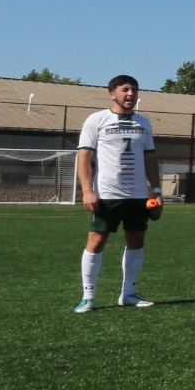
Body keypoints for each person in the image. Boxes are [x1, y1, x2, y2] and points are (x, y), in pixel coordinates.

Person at [74, 74, 162, 312]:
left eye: (134, 89)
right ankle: (88, 296)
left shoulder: (144, 124)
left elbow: (150, 159)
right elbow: (84, 157)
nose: (130, 94)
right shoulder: (96, 120)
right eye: (124, 89)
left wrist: (156, 189)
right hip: (106, 194)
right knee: (96, 240)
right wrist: (87, 190)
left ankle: (128, 293)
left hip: (137, 195)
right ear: (112, 93)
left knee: (136, 240)